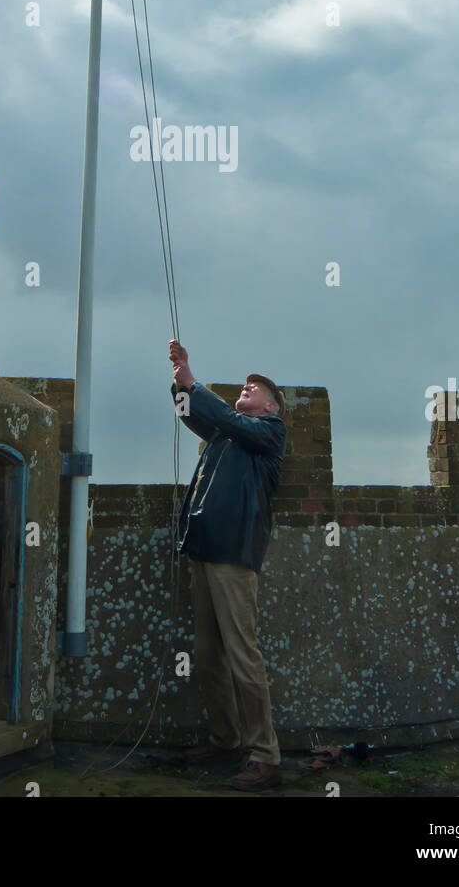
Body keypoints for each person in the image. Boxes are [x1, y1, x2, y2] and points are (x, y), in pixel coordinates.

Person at [168, 338, 287, 792]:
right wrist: (179, 378)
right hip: (203, 551)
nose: (247, 387)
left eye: (255, 388)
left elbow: (220, 414)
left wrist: (193, 381)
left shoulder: (269, 435)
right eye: (246, 385)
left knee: (242, 654)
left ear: (272, 408)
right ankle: (225, 740)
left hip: (235, 556)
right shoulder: (226, 432)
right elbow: (189, 412)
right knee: (209, 655)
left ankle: (265, 756)